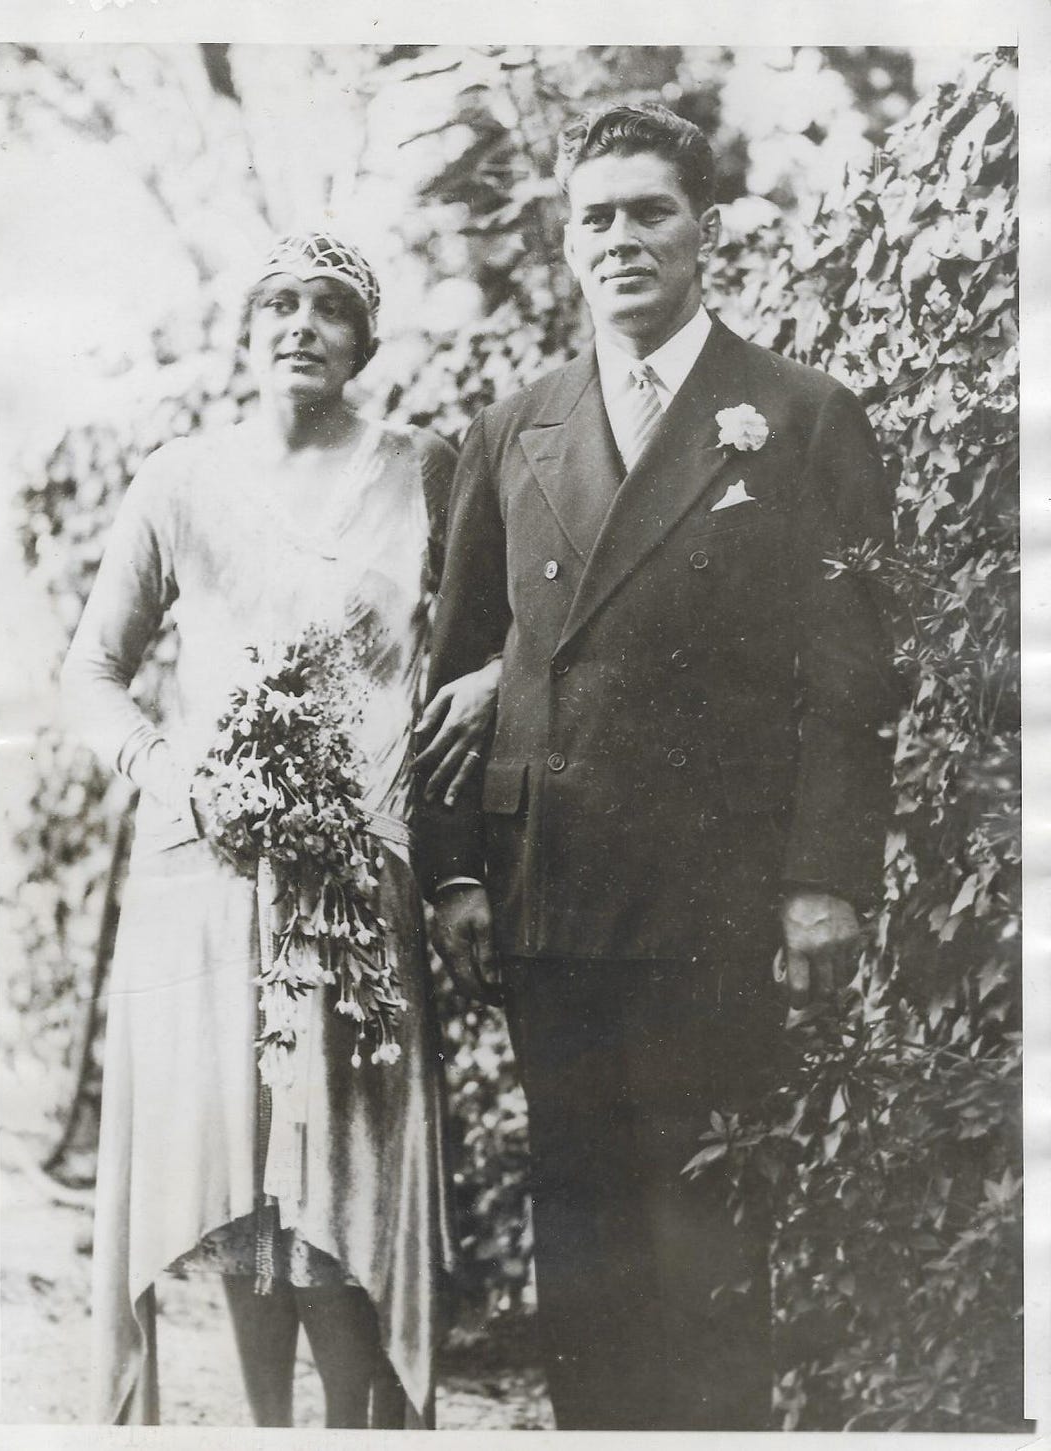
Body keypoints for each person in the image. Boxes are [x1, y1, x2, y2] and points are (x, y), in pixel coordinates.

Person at [415, 102, 896, 1431]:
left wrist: (824, 879)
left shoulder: (801, 415)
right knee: (581, 1232)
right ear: (567, 244)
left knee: (708, 1237)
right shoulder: (514, 427)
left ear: (708, 231)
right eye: (597, 217)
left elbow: (851, 676)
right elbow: (457, 661)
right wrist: (453, 871)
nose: (621, 238)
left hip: (718, 890)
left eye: (650, 211)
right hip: (551, 885)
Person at [62, 231, 497, 1428]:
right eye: (278, 305)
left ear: (366, 339)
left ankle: (355, 1425)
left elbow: (491, 638)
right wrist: (176, 775)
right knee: (243, 1179)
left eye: (329, 306)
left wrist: (480, 702)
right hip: (206, 871)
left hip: (357, 873)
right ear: (247, 333)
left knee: (347, 1175)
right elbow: (91, 674)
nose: (301, 324)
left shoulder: (426, 467)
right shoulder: (178, 479)